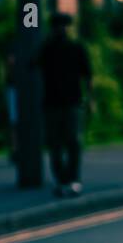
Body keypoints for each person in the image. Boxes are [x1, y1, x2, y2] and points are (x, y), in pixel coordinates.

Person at [36, 12, 92, 197]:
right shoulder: (47, 49)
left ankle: (73, 179)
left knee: (73, 141)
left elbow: (87, 75)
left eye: (64, 26)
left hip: (72, 102)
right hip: (52, 103)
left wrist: (90, 99)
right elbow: (31, 65)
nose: (62, 29)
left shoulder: (76, 48)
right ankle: (62, 180)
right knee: (55, 144)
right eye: (58, 26)